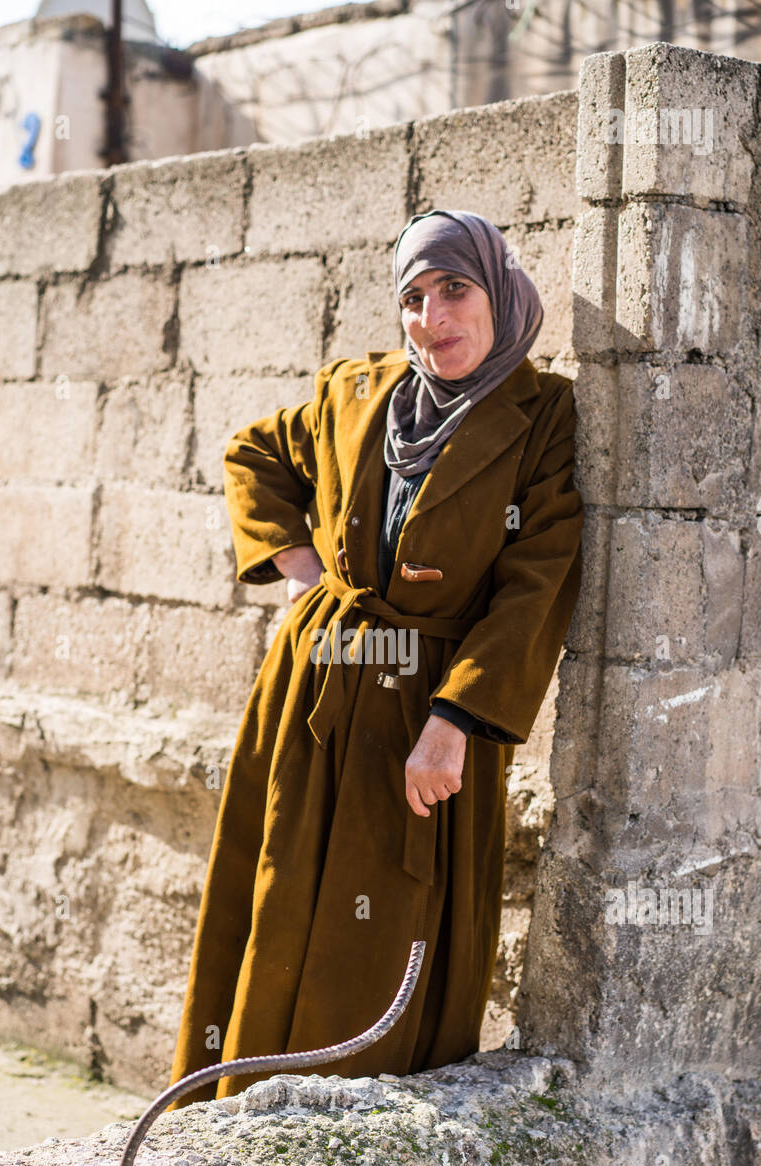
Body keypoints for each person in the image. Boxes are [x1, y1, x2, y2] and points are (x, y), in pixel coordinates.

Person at [167, 208, 584, 1106]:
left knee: (387, 920)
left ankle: (354, 1142)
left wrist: (455, 722)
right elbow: (253, 456)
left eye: (454, 289)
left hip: (426, 713)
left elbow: (538, 576)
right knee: (276, 889)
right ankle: (236, 1110)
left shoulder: (541, 414)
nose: (432, 316)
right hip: (311, 693)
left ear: (499, 292)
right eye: (413, 296)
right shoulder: (355, 392)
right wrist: (304, 573)